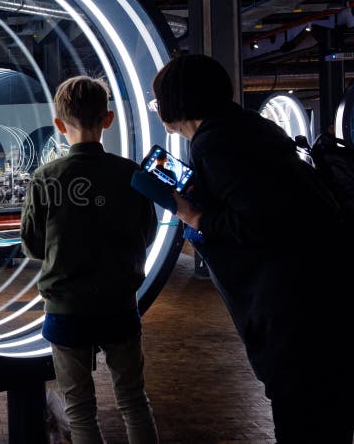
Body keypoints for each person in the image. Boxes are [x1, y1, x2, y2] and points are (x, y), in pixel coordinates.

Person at [151, 53, 353, 443]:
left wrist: (195, 217)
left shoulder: (216, 141)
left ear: (177, 102)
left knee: (305, 421)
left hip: (294, 313)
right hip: (325, 299)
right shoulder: (250, 128)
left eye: (159, 101)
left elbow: (259, 219)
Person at [21, 76, 159, 444]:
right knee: (133, 400)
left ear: (59, 125)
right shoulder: (131, 174)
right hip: (119, 304)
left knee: (79, 408)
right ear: (108, 119)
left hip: (67, 309)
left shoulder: (45, 178)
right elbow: (147, 235)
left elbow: (34, 246)